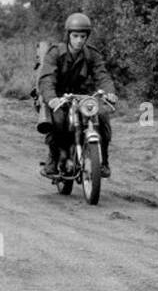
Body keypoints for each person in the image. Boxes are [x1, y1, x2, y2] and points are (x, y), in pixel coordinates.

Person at [35, 12, 118, 178]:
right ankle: (54, 158)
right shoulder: (55, 53)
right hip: (59, 97)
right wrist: (51, 99)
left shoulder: (92, 54)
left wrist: (109, 93)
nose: (79, 40)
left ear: (87, 37)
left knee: (101, 116)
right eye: (75, 36)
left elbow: (102, 75)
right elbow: (47, 79)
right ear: (68, 35)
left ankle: (103, 161)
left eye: (83, 36)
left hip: (83, 97)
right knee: (57, 121)